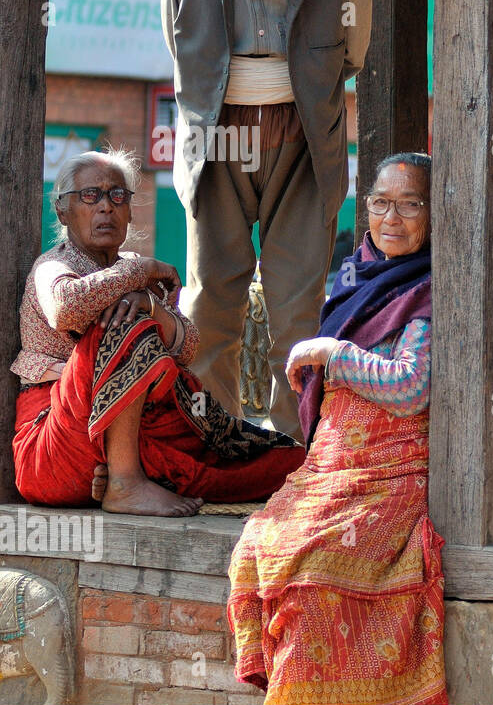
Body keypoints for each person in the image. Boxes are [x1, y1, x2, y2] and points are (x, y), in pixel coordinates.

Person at [161, 0, 372, 440]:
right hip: (217, 142)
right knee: (209, 303)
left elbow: (352, 56)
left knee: (298, 304)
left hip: (303, 144)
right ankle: (212, 439)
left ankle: (291, 447)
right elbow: (185, 56)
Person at [228, 152, 446, 705]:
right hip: (330, 469)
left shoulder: (430, 289)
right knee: (256, 546)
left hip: (390, 471)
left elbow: (411, 387)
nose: (391, 218)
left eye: (410, 204)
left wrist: (333, 352)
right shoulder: (356, 278)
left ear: (435, 214)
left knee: (315, 573)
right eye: (380, 202)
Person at [11, 151, 303, 517]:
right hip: (56, 446)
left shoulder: (134, 272)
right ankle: (124, 483)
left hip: (137, 437)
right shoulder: (54, 265)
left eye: (118, 196)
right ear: (62, 212)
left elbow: (188, 347)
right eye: (90, 196)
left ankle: (123, 471)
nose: (106, 207)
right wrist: (140, 275)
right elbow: (64, 308)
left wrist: (151, 305)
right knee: (124, 319)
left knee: (289, 461)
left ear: (130, 210)